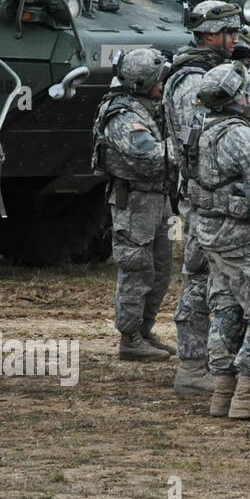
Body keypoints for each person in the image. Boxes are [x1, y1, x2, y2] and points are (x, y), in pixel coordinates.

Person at [189, 62, 250, 420]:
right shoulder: (241, 136)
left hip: (209, 235)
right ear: (238, 97)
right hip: (241, 239)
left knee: (224, 310)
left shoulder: (198, 131)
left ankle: (221, 394)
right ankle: (246, 394)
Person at [164, 0, 242, 395]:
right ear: (209, 33)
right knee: (200, 278)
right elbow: (197, 140)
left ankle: (213, 362)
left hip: (208, 192)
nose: (235, 39)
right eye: (230, 32)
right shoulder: (193, 79)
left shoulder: (206, 70)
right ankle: (193, 366)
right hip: (202, 195)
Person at [91, 48, 175, 363]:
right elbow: (149, 157)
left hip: (158, 198)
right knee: (137, 270)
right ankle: (129, 338)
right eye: (157, 79)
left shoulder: (147, 107)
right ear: (141, 81)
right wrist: (184, 149)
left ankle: (144, 330)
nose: (162, 85)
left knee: (161, 269)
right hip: (135, 200)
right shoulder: (123, 114)